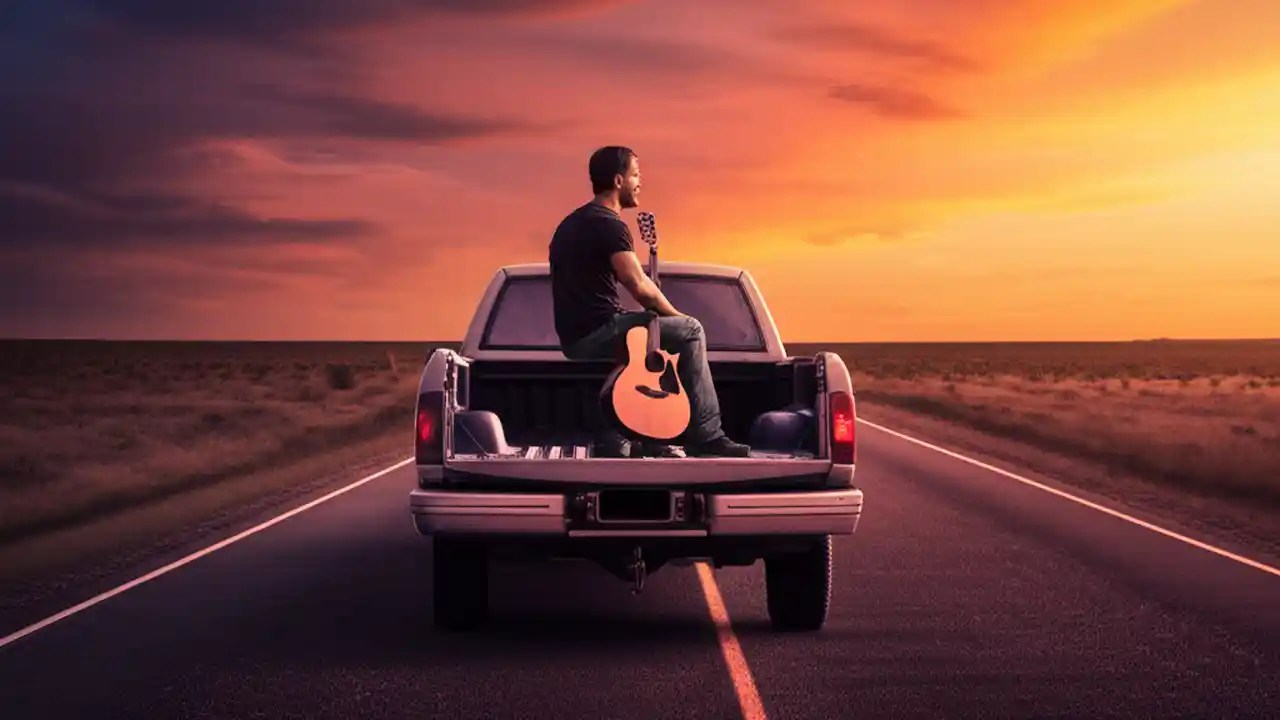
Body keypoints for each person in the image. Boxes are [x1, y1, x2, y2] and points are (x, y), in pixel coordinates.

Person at [547, 145, 751, 459]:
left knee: (645, 338)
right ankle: (707, 437)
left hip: (574, 337)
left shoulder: (570, 224)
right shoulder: (609, 224)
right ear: (618, 180)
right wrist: (675, 316)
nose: (640, 182)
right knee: (691, 330)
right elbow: (640, 287)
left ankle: (634, 435)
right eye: (636, 175)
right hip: (599, 330)